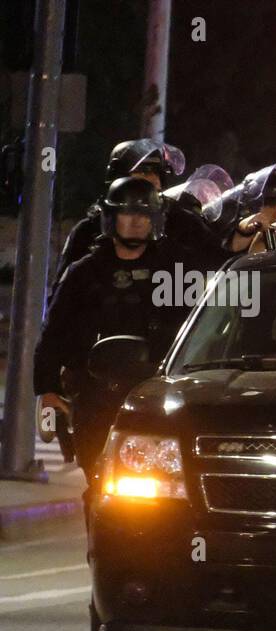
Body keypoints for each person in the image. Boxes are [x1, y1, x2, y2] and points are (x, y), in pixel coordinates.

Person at [34, 177, 200, 499]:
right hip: (95, 399)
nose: (136, 220)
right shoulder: (83, 273)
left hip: (155, 399)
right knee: (99, 491)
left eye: (143, 213)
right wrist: (47, 390)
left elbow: (200, 330)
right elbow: (53, 334)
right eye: (127, 212)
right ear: (112, 218)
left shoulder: (175, 271)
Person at [55, 139, 222, 279]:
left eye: (154, 172)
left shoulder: (182, 222)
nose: (149, 179)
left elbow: (220, 268)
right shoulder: (89, 230)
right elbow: (64, 296)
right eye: (141, 172)